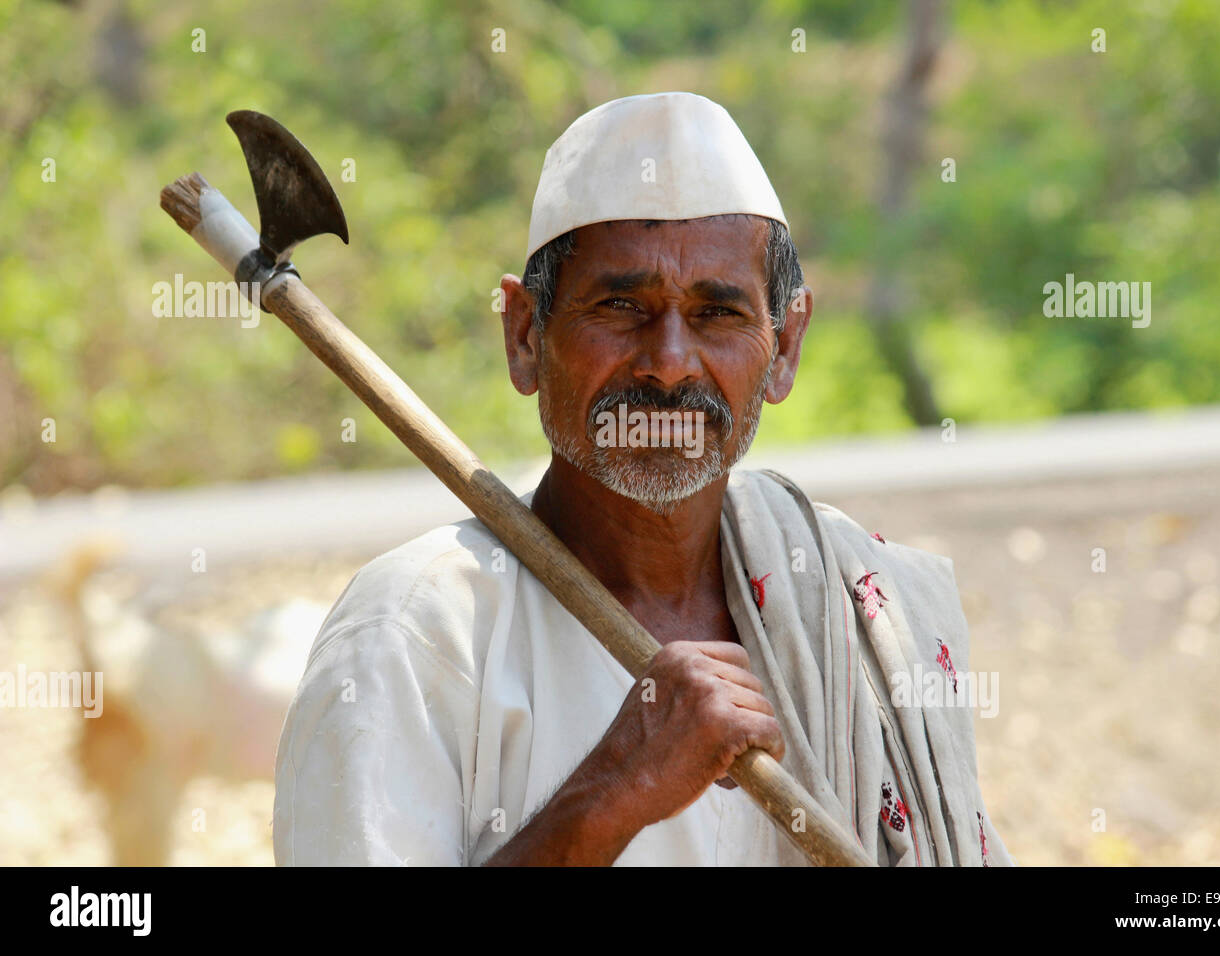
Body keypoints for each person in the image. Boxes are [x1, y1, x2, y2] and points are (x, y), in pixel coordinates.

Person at [272, 91, 1015, 866]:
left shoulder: (859, 606)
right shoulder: (417, 631)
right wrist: (615, 791)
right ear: (525, 335)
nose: (668, 361)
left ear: (786, 345)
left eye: (717, 314)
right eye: (622, 305)